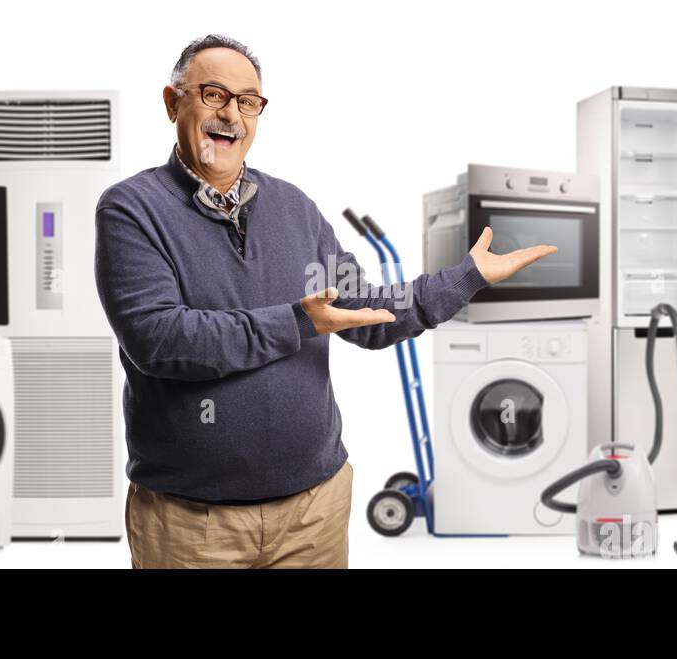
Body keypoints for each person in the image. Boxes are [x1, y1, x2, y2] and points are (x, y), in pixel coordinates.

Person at [95, 34, 557, 568]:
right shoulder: (132, 208)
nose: (232, 116)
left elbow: (363, 311)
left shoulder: (294, 206)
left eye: (248, 102)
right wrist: (296, 321)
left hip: (314, 510)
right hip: (191, 524)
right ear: (174, 102)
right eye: (214, 95)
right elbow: (160, 340)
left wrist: (466, 278)